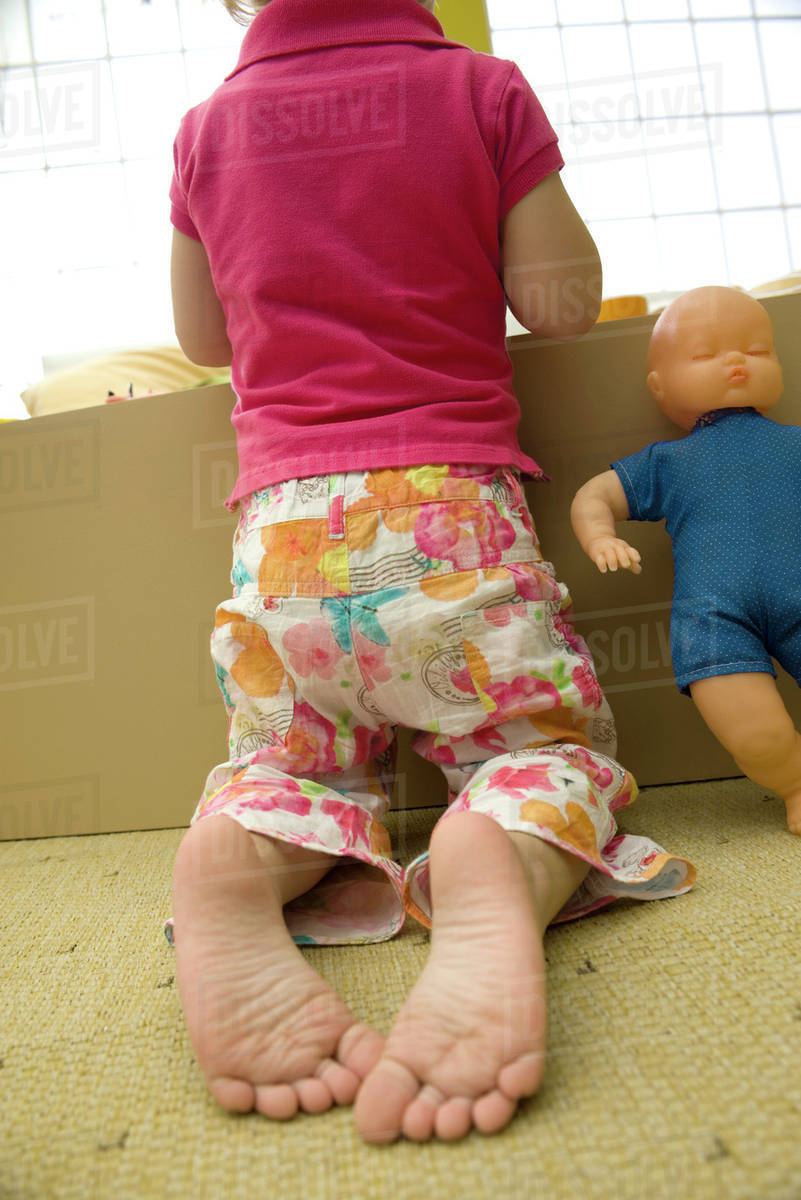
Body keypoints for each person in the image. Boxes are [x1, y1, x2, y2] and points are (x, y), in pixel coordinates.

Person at [167, 0, 696, 1144]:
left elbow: (205, 342)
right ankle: (488, 851)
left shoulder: (206, 128)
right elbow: (557, 308)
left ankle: (242, 847)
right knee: (542, 757)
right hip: (449, 528)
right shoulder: (480, 90)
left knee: (294, 766)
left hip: (283, 543)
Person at [571, 285, 801, 836]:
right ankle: (795, 784)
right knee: (755, 733)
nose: (737, 361)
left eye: (757, 349)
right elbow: (593, 496)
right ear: (659, 385)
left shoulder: (793, 444)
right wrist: (601, 537)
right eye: (705, 354)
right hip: (715, 618)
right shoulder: (667, 462)